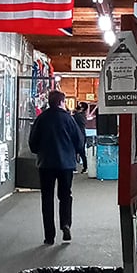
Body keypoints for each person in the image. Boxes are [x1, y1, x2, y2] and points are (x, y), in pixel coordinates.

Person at [29, 89, 83, 244]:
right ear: (61, 102)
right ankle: (65, 224)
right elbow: (79, 141)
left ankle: (49, 236)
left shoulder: (42, 118)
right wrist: (76, 153)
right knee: (65, 195)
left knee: (47, 198)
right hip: (66, 164)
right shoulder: (69, 119)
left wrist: (39, 151)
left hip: (46, 164)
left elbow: (33, 142)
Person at [72, 102, 88, 173]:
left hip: (77, 135)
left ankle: (74, 167)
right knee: (81, 152)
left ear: (82, 108)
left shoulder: (78, 116)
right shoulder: (83, 115)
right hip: (82, 135)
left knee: (75, 151)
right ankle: (85, 167)